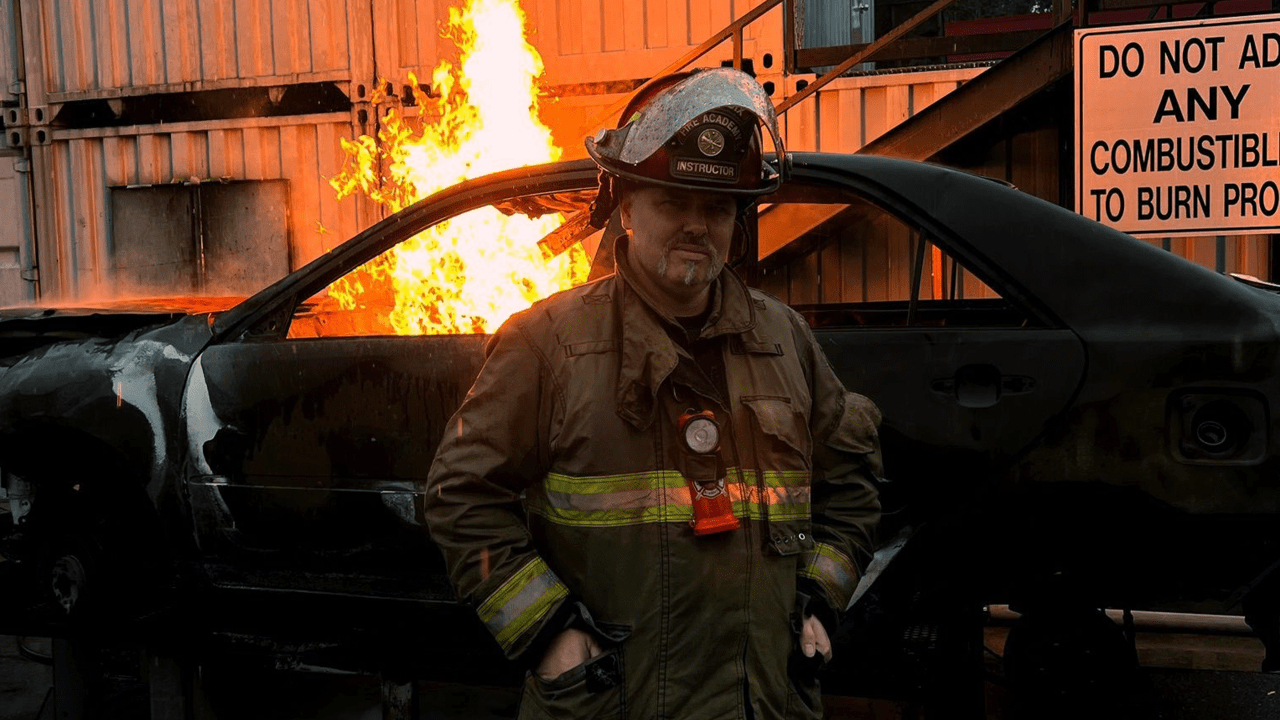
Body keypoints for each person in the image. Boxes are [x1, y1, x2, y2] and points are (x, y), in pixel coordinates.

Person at [425, 67, 882, 720]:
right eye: (673, 201)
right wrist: (548, 631)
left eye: (718, 207)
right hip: (614, 701)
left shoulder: (786, 341)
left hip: (766, 701)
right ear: (624, 206)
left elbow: (853, 485)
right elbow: (460, 495)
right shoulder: (547, 343)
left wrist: (818, 599)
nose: (698, 225)